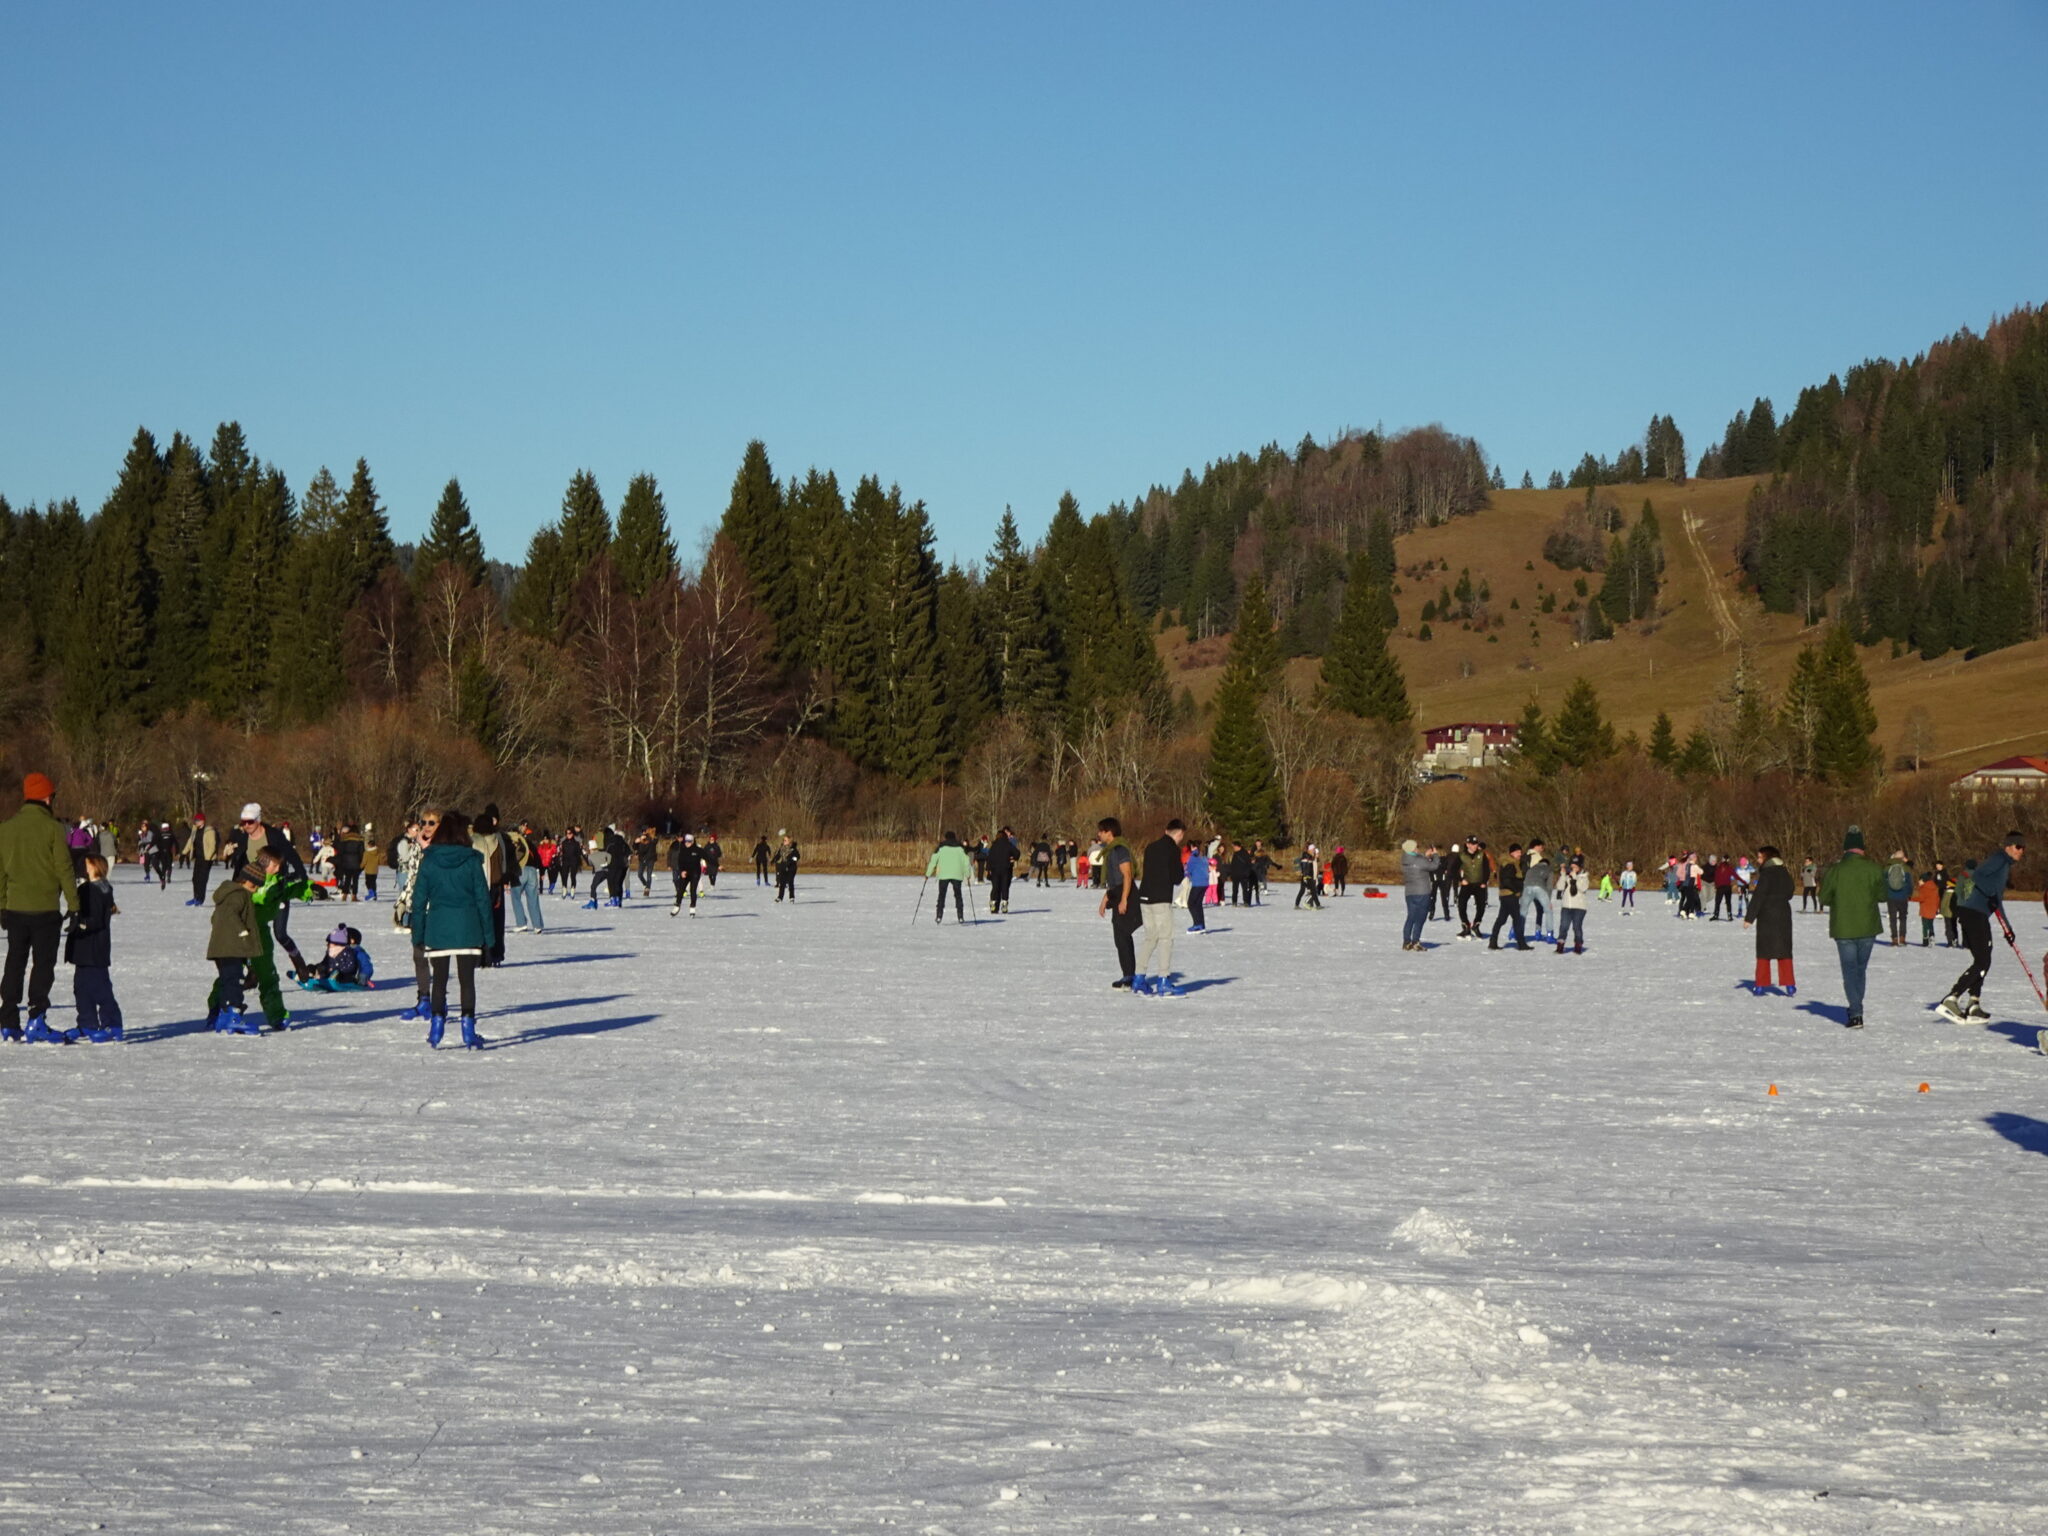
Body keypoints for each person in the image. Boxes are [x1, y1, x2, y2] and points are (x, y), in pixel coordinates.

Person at [0, 773, 81, 1043]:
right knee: (43, 965)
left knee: (15, 962)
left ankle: (8, 1020)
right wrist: (74, 903)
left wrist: (2, 905)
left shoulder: (6, 828)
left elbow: (0, 872)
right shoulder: (54, 829)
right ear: (47, 797)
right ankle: (36, 1018)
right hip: (45, 909)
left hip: (15, 909)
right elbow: (64, 868)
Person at [409, 808, 494, 1049]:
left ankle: (437, 1028)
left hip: (438, 928)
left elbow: (419, 902)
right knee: (467, 982)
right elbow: (483, 901)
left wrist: (418, 934)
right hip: (468, 928)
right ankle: (468, 1030)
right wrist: (489, 938)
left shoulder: (430, 861)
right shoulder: (471, 861)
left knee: (440, 981)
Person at [1938, 832, 2026, 1025]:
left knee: (1983, 958)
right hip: (1973, 913)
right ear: (2009, 846)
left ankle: (1973, 1004)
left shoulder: (2004, 865)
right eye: (2019, 847)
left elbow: (1996, 901)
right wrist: (1991, 892)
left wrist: (2008, 929)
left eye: (2023, 848)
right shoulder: (1999, 859)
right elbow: (1977, 876)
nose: (2021, 851)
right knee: (1983, 960)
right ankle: (1951, 998)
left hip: (1977, 914)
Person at [1818, 825, 1885, 1029]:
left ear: (1845, 848)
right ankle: (1857, 1008)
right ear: (1862, 848)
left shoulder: (1835, 870)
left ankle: (1856, 1013)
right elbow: (1882, 895)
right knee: (1860, 970)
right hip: (1868, 927)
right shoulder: (1874, 868)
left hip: (1844, 927)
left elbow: (1824, 898)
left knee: (1849, 971)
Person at [232, 804, 309, 979]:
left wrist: (301, 876)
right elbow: (240, 864)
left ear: (258, 821)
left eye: (250, 822)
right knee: (253, 932)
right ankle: (254, 972)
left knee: (280, 934)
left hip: (276, 889)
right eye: (243, 823)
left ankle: (298, 961)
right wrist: (235, 886)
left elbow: (291, 854)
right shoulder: (244, 839)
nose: (246, 826)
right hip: (255, 891)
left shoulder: (273, 836)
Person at [67, 852, 122, 1041]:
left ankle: (112, 1024)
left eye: (88, 864)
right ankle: (87, 1023)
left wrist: (80, 924)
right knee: (82, 987)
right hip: (90, 948)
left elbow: (95, 919)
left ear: (96, 866)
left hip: (90, 947)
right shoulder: (102, 888)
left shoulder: (92, 889)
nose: (85, 867)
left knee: (100, 987)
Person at [207, 864, 267, 1036]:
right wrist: (242, 932)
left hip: (224, 947)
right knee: (235, 980)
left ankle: (224, 1016)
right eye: (253, 886)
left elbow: (215, 919)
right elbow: (230, 914)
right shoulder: (238, 895)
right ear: (246, 881)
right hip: (231, 948)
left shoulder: (228, 895)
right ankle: (233, 1015)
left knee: (228, 980)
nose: (255, 891)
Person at [1134, 818, 1187, 995]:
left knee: (1150, 937)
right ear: (1179, 834)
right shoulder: (1173, 849)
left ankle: (1139, 977)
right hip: (1160, 898)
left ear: (1166, 830)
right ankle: (1163, 980)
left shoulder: (1151, 847)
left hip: (1145, 896)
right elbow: (1177, 877)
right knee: (1165, 938)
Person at [1095, 816, 1140, 989]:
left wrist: (1123, 900)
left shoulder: (1120, 849)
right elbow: (1114, 879)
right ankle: (1128, 974)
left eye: (1101, 831)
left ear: (1109, 832)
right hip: (1116, 892)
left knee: (1123, 935)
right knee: (1120, 936)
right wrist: (1106, 898)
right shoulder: (1110, 851)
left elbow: (1127, 875)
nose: (1099, 834)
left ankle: (1130, 975)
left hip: (1125, 893)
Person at [1745, 845, 1796, 995]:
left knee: (1764, 951)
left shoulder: (1766, 874)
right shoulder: (1784, 871)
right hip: (1783, 914)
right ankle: (1790, 984)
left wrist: (1749, 918)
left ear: (1767, 858)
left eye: (1760, 857)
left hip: (1767, 914)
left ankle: (1760, 984)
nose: (1758, 860)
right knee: (1784, 951)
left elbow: (1758, 896)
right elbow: (1790, 890)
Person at [1488, 842, 1529, 950]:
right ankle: (1521, 944)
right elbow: (1507, 881)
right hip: (1510, 895)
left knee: (1501, 919)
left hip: (1505, 895)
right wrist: (1517, 889)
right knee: (1517, 919)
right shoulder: (1510, 864)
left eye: (1520, 851)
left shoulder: (1510, 863)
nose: (1520, 854)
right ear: (1512, 853)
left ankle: (1493, 942)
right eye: (1518, 852)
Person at [509, 821, 547, 934]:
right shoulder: (529, 843)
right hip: (533, 871)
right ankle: (538, 925)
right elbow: (538, 857)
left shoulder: (515, 843)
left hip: (521, 870)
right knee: (533, 898)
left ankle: (521, 923)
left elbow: (512, 859)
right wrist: (542, 872)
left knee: (515, 896)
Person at [1399, 839, 1438, 950]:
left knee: (1411, 917)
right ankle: (1416, 941)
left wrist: (1424, 856)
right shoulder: (1419, 860)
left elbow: (1419, 862)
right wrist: (1435, 855)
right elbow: (1434, 866)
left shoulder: (1405, 859)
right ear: (1412, 849)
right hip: (1422, 892)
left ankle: (1406, 942)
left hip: (1409, 893)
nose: (1417, 848)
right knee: (1420, 918)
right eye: (1416, 847)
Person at [926, 832, 971, 923]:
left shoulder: (941, 848)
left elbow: (933, 861)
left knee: (941, 895)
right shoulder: (960, 848)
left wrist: (928, 874)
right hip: (957, 875)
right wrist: (967, 875)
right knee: (958, 895)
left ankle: (939, 915)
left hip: (943, 875)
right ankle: (960, 916)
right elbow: (966, 862)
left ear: (945, 838)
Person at [1554, 854, 1590, 954]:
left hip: (1579, 907)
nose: (1573, 868)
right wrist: (1562, 876)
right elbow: (1560, 887)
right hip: (1566, 906)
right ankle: (1560, 945)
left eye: (1575, 866)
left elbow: (1583, 888)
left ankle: (1578, 945)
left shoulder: (1584, 877)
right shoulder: (1567, 877)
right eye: (1572, 866)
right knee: (1563, 926)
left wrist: (1575, 878)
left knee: (1577, 927)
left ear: (1580, 867)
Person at [1456, 837, 1492, 938]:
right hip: (1467, 885)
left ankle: (1476, 925)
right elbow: (1453, 869)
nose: (1475, 846)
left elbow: (1486, 869)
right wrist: (1461, 879)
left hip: (1480, 884)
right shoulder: (1461, 855)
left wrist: (1484, 881)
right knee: (1461, 904)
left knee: (1481, 906)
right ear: (1467, 845)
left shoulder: (1482, 854)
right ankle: (1466, 925)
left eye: (1476, 843)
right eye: (1472, 844)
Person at [184, 813, 222, 906]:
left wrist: (208, 858)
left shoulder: (209, 831)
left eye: (198, 820)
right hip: (198, 857)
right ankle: (195, 897)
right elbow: (190, 841)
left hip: (206, 858)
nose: (196, 822)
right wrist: (184, 852)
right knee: (195, 878)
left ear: (203, 821)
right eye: (195, 820)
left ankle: (200, 899)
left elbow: (212, 845)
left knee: (202, 879)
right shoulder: (194, 830)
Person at [1521, 839, 1554, 942]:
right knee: (1545, 910)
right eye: (1541, 846)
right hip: (1540, 887)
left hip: (1526, 886)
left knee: (1522, 911)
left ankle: (1515, 931)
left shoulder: (1525, 856)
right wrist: (1548, 900)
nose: (1542, 848)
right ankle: (1546, 934)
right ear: (1536, 846)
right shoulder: (1537, 857)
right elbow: (1549, 885)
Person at [669, 832, 707, 917]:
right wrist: (682, 871)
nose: (687, 843)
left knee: (693, 890)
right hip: (685, 873)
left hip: (695, 873)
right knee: (680, 890)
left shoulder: (698, 850)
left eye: (689, 841)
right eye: (686, 841)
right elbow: (680, 862)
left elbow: (708, 858)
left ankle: (692, 907)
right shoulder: (683, 850)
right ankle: (677, 906)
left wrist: (718, 865)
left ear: (693, 841)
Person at [986, 826, 1020, 915]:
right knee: (1005, 887)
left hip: (995, 870)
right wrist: (1013, 858)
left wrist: (988, 869)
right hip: (1006, 869)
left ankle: (993, 904)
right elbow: (1017, 853)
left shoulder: (994, 846)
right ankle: (1004, 904)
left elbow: (989, 858)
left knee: (995, 887)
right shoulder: (1008, 844)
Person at [1883, 849, 1913, 946]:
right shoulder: (1906, 868)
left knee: (1892, 918)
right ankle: (1902, 938)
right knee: (1903, 917)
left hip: (1891, 896)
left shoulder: (1887, 867)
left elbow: (1883, 882)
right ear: (1902, 857)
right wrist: (1909, 894)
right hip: (1903, 896)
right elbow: (1909, 883)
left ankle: (1894, 939)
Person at [1184, 839, 1212, 933]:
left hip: (1198, 883)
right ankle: (1201, 924)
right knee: (1198, 904)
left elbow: (1189, 869)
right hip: (1204, 883)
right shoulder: (1203, 855)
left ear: (1193, 846)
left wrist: (1185, 873)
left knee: (1191, 903)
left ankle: (1197, 924)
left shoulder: (1194, 856)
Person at [333, 824, 366, 901]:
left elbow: (340, 851)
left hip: (346, 861)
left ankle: (344, 895)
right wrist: (361, 862)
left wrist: (341, 861)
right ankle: (354, 896)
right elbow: (362, 852)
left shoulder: (345, 839)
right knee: (355, 879)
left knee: (347, 879)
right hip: (356, 862)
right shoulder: (360, 839)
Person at [1914, 870, 1941, 947]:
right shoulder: (1935, 887)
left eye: (1920, 880)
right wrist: (1937, 908)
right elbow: (1938, 899)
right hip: (1933, 909)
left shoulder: (1924, 888)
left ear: (1923, 880)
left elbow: (1921, 898)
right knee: (1930, 924)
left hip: (1925, 909)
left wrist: (1910, 898)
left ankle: (1925, 940)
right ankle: (1932, 935)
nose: (1919, 881)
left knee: (1925, 925)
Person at [774, 834, 801, 902]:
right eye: (783, 840)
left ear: (789, 841)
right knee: (782, 883)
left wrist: (793, 859)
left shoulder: (793, 849)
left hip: (791, 868)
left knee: (790, 882)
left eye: (785, 840)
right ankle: (780, 897)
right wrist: (774, 859)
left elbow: (797, 857)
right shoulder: (782, 848)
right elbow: (778, 855)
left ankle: (791, 897)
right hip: (783, 866)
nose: (784, 841)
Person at [1294, 846, 1322, 910]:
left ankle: (1298, 904)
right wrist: (1305, 876)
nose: (1314, 851)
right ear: (1310, 850)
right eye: (1313, 850)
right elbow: (1305, 868)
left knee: (1305, 891)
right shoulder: (1307, 858)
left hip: (1309, 877)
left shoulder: (1311, 858)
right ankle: (1316, 905)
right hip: (1307, 877)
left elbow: (1313, 869)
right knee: (1312, 891)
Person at [634, 826, 658, 897]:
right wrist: (636, 843)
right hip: (642, 859)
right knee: (639, 874)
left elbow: (655, 841)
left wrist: (650, 837)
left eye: (645, 831)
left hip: (650, 859)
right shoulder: (641, 838)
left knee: (649, 875)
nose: (644, 832)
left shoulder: (652, 839)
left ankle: (647, 889)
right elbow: (636, 847)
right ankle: (645, 884)